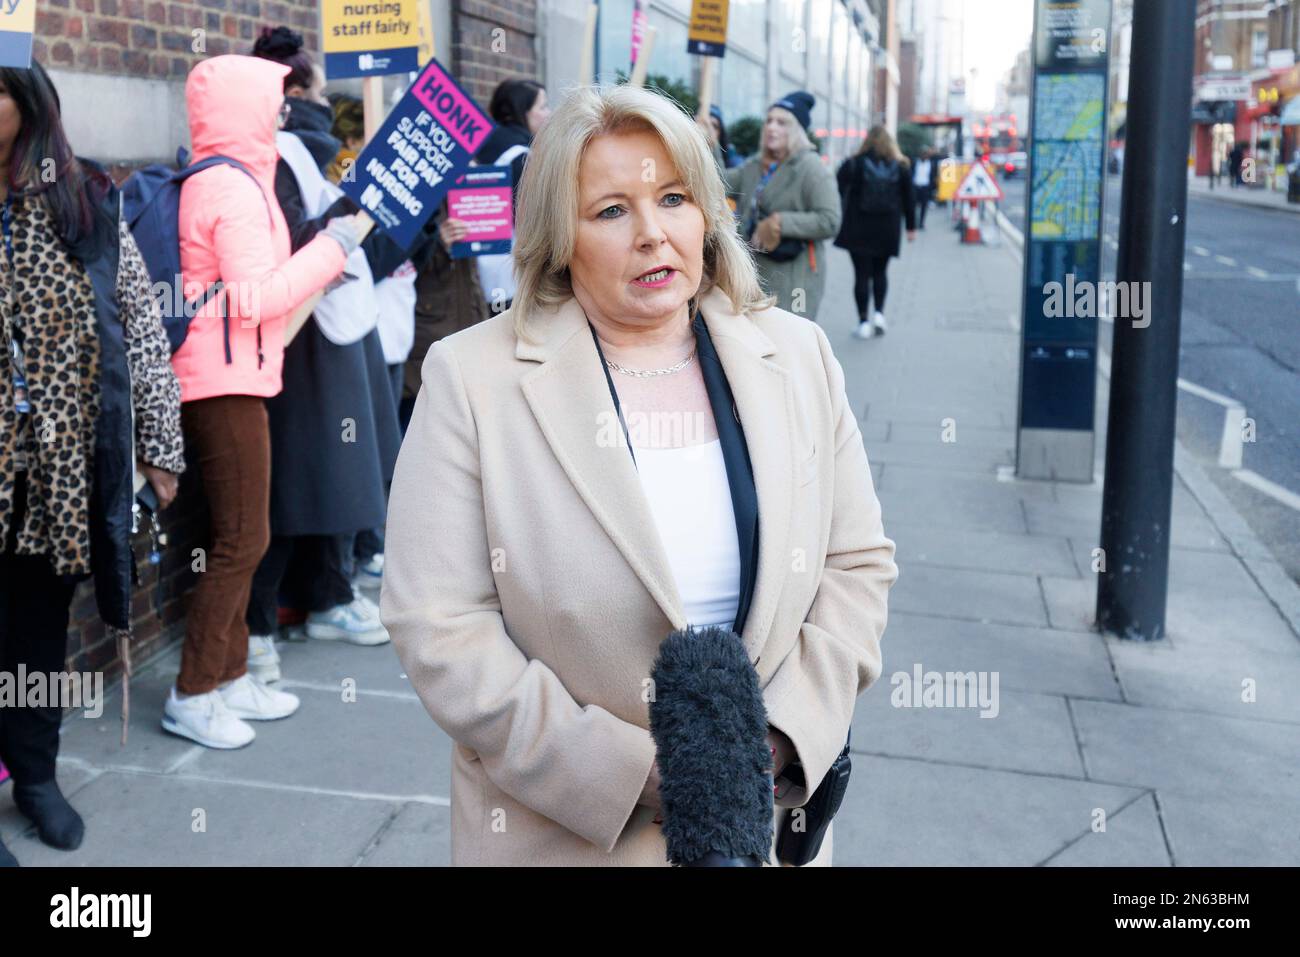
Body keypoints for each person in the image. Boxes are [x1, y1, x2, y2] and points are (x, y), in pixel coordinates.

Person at [380, 84, 897, 866]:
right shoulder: (471, 379)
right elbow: (437, 622)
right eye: (612, 210)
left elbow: (855, 564)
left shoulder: (796, 356)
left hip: (761, 830)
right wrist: (631, 772)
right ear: (559, 236)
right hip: (562, 837)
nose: (654, 234)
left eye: (674, 197)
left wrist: (780, 739)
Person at [0, 61, 185, 865]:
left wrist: (159, 447)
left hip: (55, 472)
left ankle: (35, 777)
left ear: (28, 105)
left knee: (36, 637)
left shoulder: (86, 204)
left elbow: (140, 327)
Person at [164, 54, 363, 749]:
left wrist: (318, 257)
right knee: (242, 539)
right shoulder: (232, 186)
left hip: (233, 374)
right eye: (272, 101)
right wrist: (333, 249)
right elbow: (255, 299)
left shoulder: (233, 178)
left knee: (245, 536)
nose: (282, 112)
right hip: (222, 381)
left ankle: (230, 676)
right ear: (245, 111)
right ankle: (193, 693)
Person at [237, 30, 402, 675]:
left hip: (327, 319)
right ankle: (264, 624)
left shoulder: (307, 150)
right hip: (298, 326)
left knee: (327, 475)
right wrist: (338, 229)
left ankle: (320, 597)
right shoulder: (272, 153)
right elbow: (282, 238)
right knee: (295, 486)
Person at [723, 92, 841, 323]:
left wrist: (780, 222)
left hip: (795, 278)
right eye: (769, 121)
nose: (771, 127)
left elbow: (830, 220)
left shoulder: (811, 167)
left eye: (781, 122)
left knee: (792, 342)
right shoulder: (757, 164)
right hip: (754, 273)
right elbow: (717, 181)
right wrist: (707, 141)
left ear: (797, 129)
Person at [473, 78, 550, 315]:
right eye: (542, 106)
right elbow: (534, 222)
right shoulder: (521, 158)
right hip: (510, 276)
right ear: (523, 112)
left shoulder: (476, 146)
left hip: (474, 273)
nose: (549, 113)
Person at [834, 125, 916, 339]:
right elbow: (910, 198)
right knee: (881, 272)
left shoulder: (854, 164)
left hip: (858, 226)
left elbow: (838, 188)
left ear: (867, 141)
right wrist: (911, 227)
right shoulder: (901, 166)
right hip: (887, 228)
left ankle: (863, 322)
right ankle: (879, 314)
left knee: (861, 275)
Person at [911, 146, 936, 228]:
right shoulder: (915, 162)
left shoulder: (931, 164)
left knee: (924, 207)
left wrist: (931, 189)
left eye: (926, 154)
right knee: (913, 206)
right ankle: (913, 222)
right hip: (915, 187)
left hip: (925, 188)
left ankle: (921, 223)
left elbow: (932, 177)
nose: (924, 156)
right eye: (923, 154)